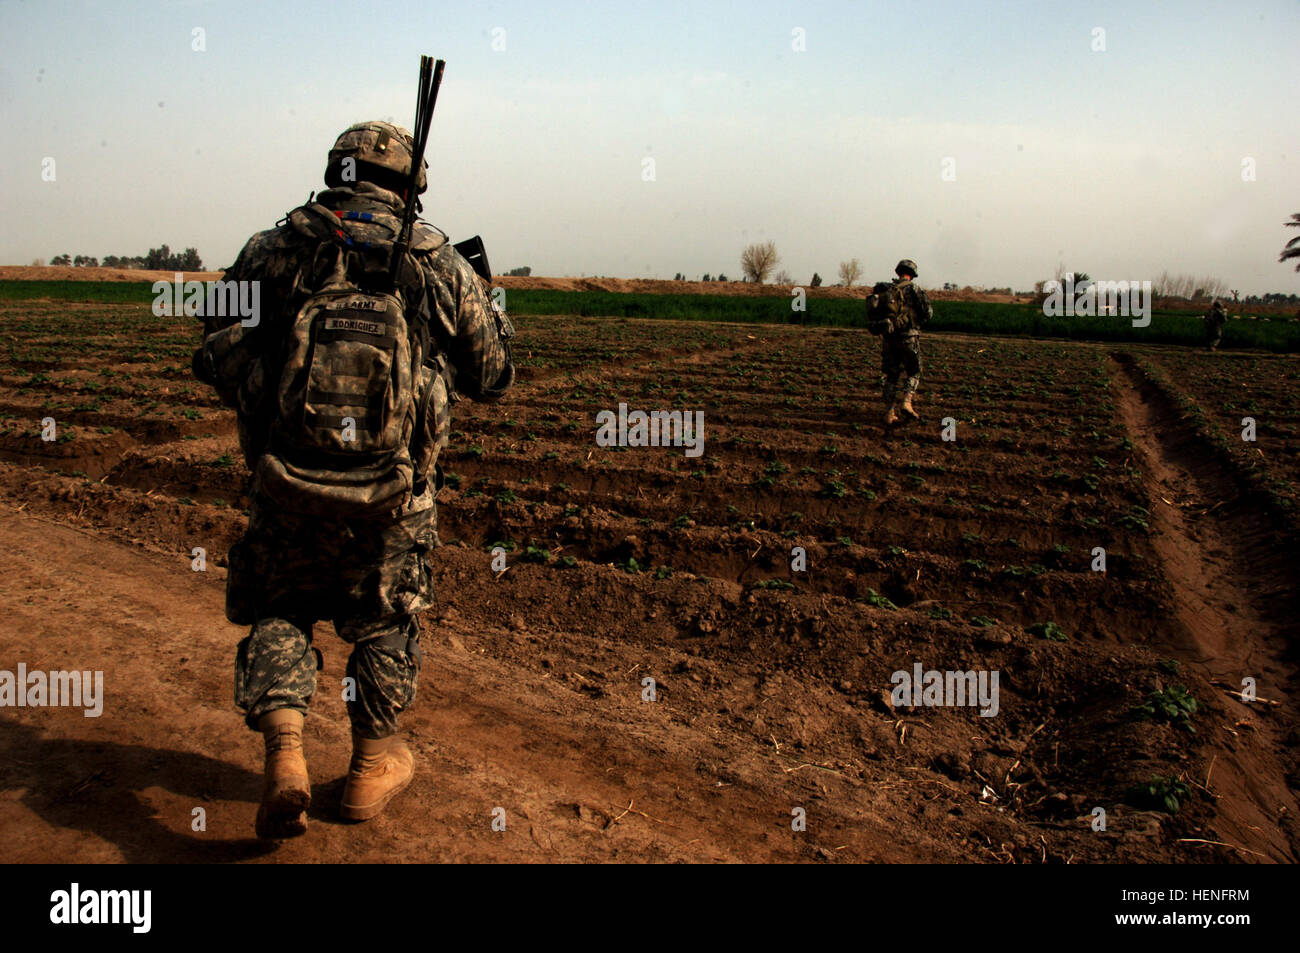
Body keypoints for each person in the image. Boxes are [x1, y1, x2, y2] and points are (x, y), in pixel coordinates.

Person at [193, 120, 514, 839]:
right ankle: (370, 766)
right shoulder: (436, 261)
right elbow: (493, 376)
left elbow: (212, 355)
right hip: (392, 498)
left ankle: (286, 753)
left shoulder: (273, 249)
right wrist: (487, 304)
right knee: (384, 621)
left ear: (335, 171)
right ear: (410, 186)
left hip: (286, 484)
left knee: (281, 608)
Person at [867, 259, 933, 425]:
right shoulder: (914, 289)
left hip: (889, 338)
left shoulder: (887, 289)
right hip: (908, 338)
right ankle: (906, 402)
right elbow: (928, 313)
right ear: (912, 274)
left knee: (891, 376)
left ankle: (889, 413)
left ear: (898, 272)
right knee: (914, 371)